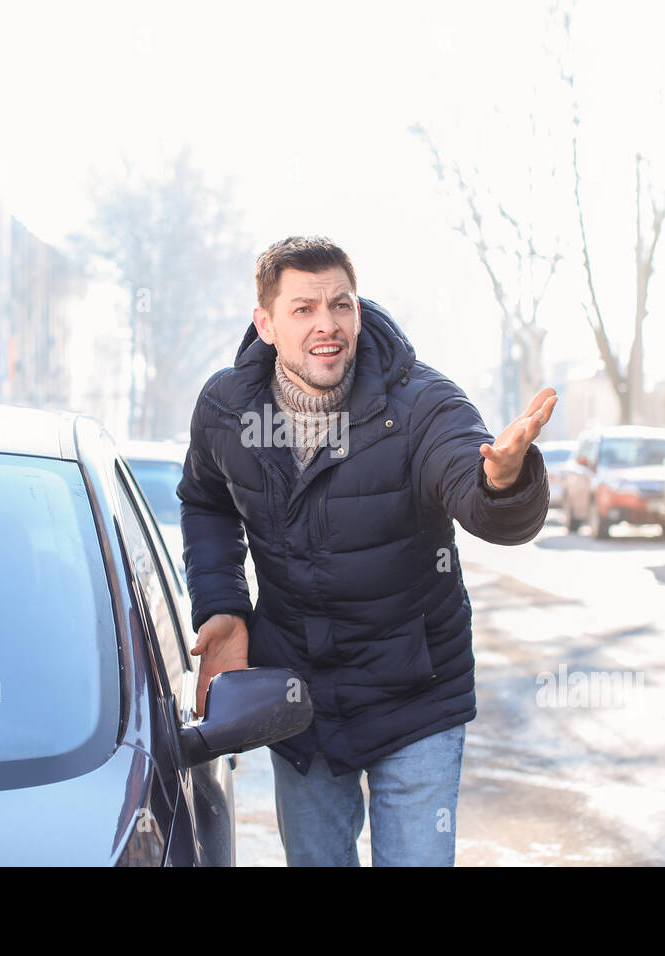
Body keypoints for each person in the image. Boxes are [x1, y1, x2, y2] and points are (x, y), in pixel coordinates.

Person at [177, 235, 555, 866]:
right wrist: (223, 605)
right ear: (265, 323)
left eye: (341, 305)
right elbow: (205, 501)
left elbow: (476, 490)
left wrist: (504, 482)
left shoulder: (419, 404)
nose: (327, 325)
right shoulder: (227, 409)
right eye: (303, 309)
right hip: (300, 701)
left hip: (416, 695)